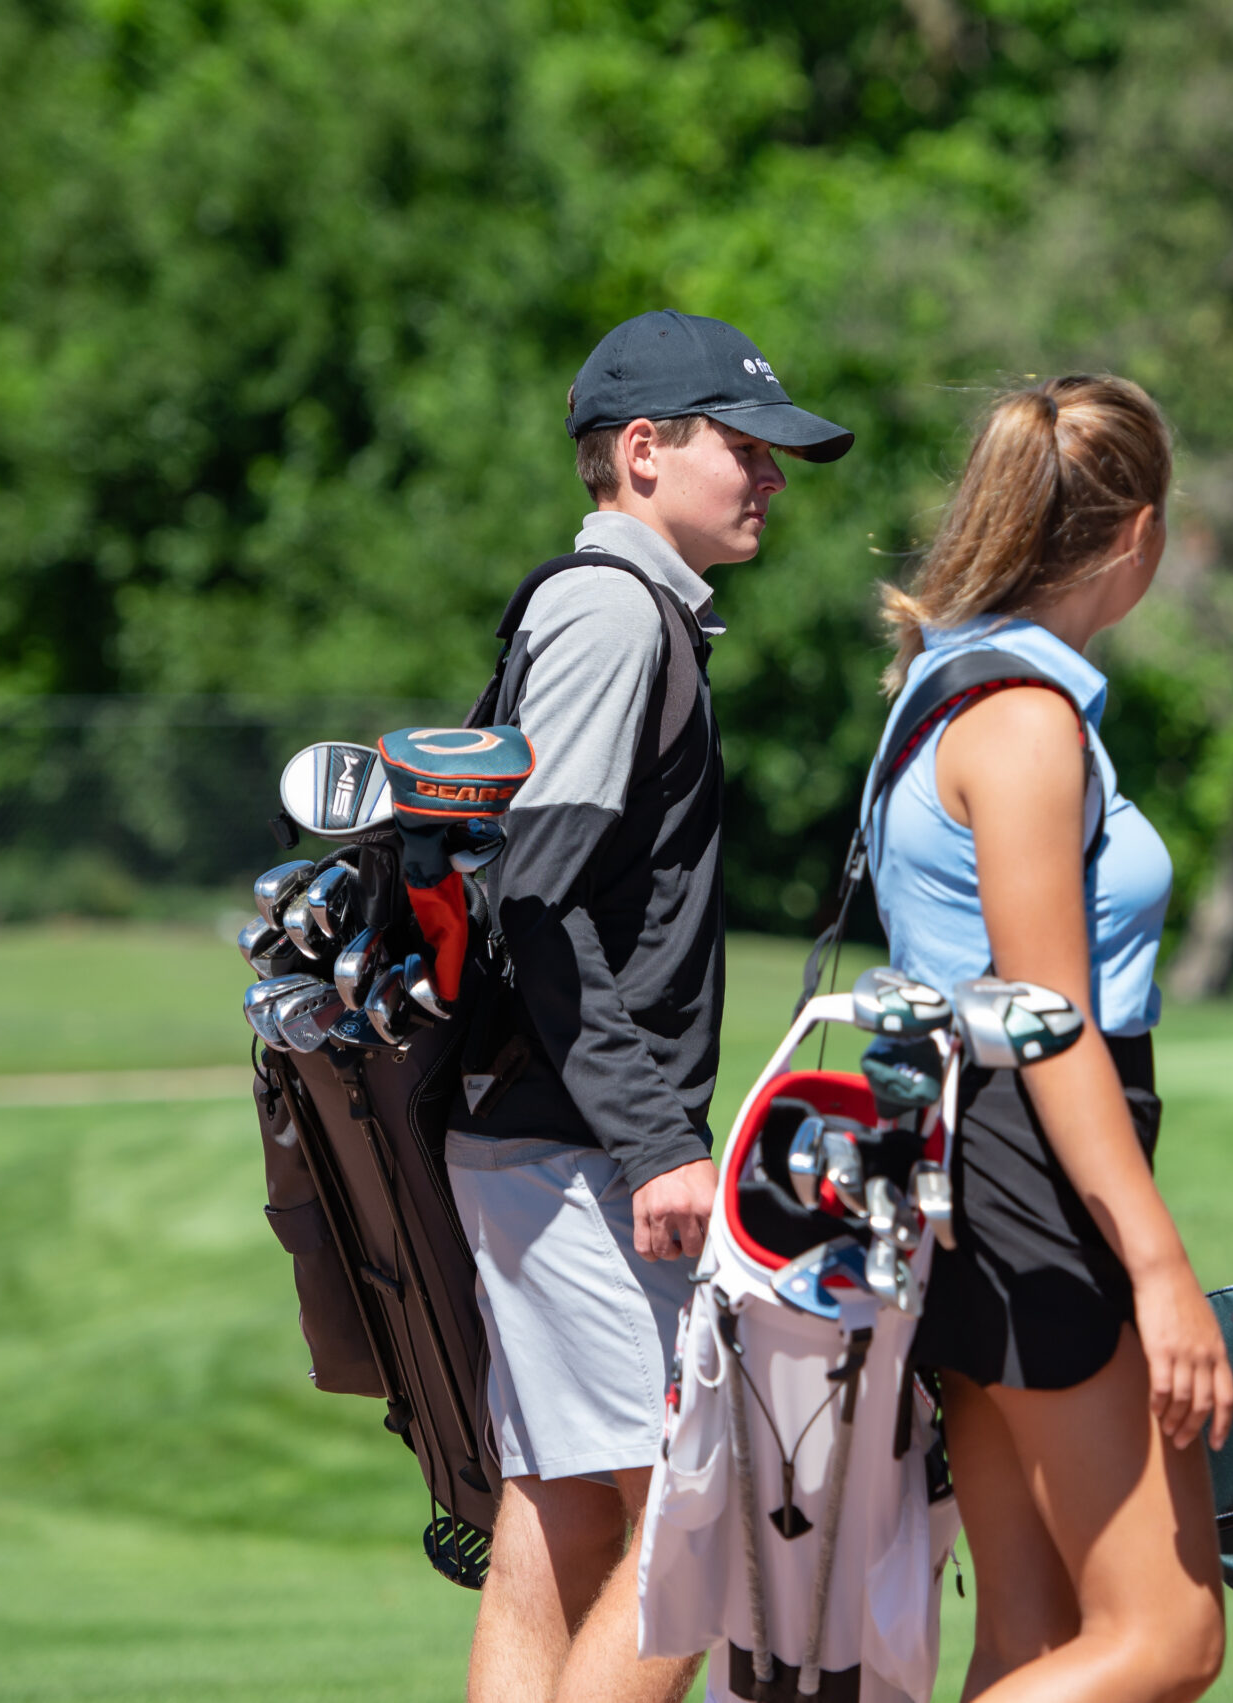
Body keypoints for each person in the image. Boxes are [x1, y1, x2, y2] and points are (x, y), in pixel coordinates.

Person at [448, 309, 854, 1703]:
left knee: (559, 1513)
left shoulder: (614, 608)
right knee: (705, 1533)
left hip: (533, 1130)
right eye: (744, 449)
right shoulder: (616, 613)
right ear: (641, 452)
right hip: (576, 1145)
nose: (770, 479)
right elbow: (533, 896)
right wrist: (651, 1138)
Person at [865, 374, 1233, 1703]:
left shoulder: (947, 685)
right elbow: (1048, 1021)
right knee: (1166, 1635)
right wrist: (1161, 1264)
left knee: (1031, 1632)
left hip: (966, 1167)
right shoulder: (1025, 722)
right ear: (1136, 533)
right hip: (1030, 1177)